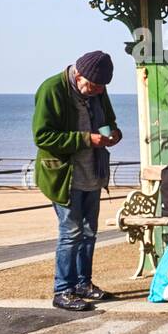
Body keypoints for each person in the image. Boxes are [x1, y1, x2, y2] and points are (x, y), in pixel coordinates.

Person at [33, 50, 122, 311]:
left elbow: (109, 121)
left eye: (100, 88)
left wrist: (113, 134)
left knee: (89, 233)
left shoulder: (98, 90)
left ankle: (84, 284)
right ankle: (63, 290)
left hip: (93, 173)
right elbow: (42, 136)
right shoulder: (51, 89)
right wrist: (86, 139)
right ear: (79, 75)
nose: (96, 92)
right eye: (93, 87)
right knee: (70, 233)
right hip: (65, 175)